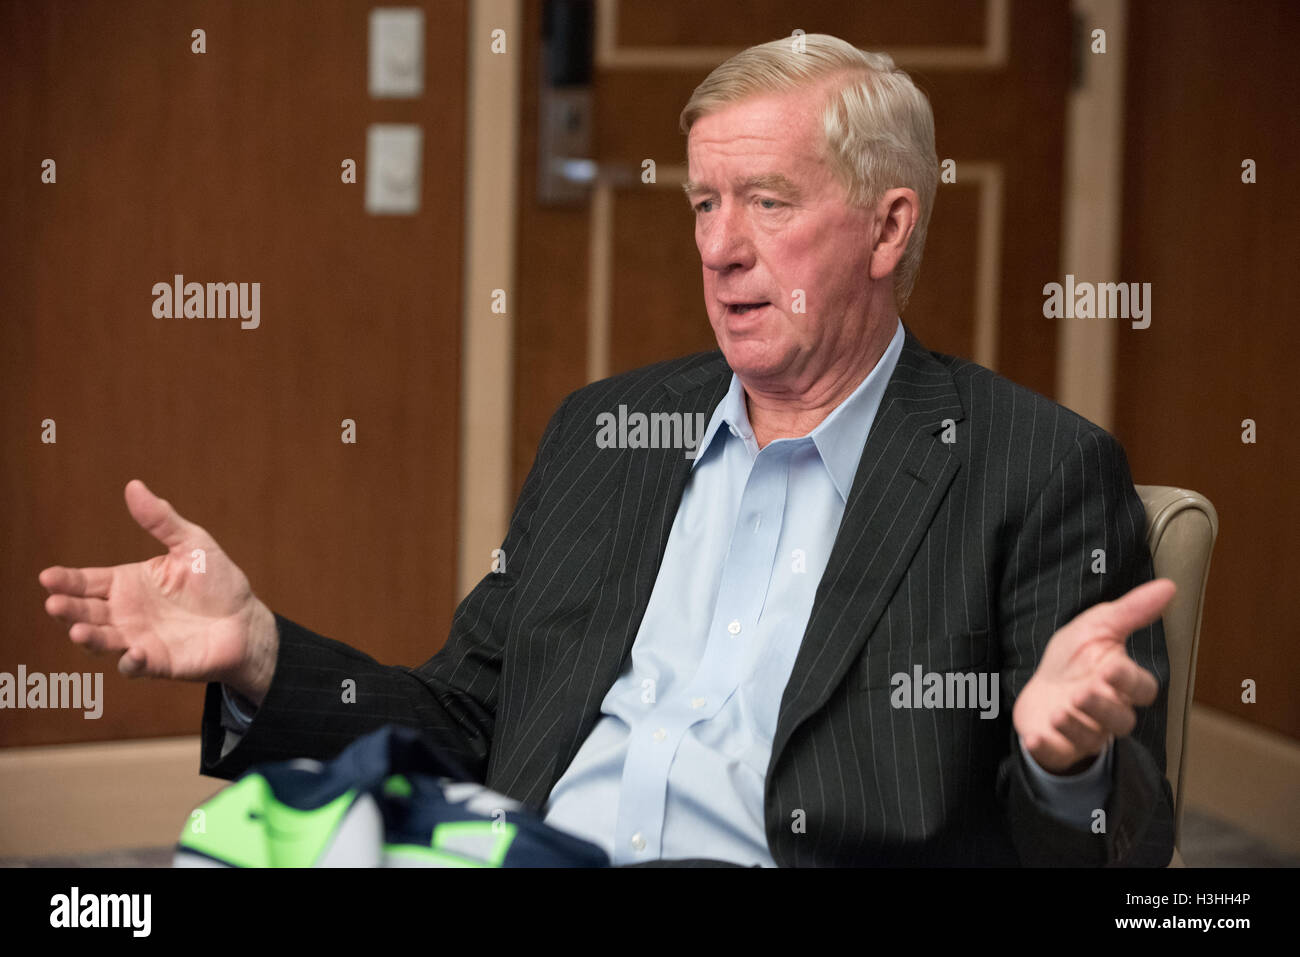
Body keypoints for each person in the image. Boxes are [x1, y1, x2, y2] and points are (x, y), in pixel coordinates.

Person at [39, 34, 1175, 867]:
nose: (720, 249)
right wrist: (258, 651)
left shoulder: (1033, 470)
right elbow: (463, 728)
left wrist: (1058, 761)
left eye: (768, 203)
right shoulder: (606, 434)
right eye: (703, 204)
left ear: (889, 226)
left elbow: (1114, 855)